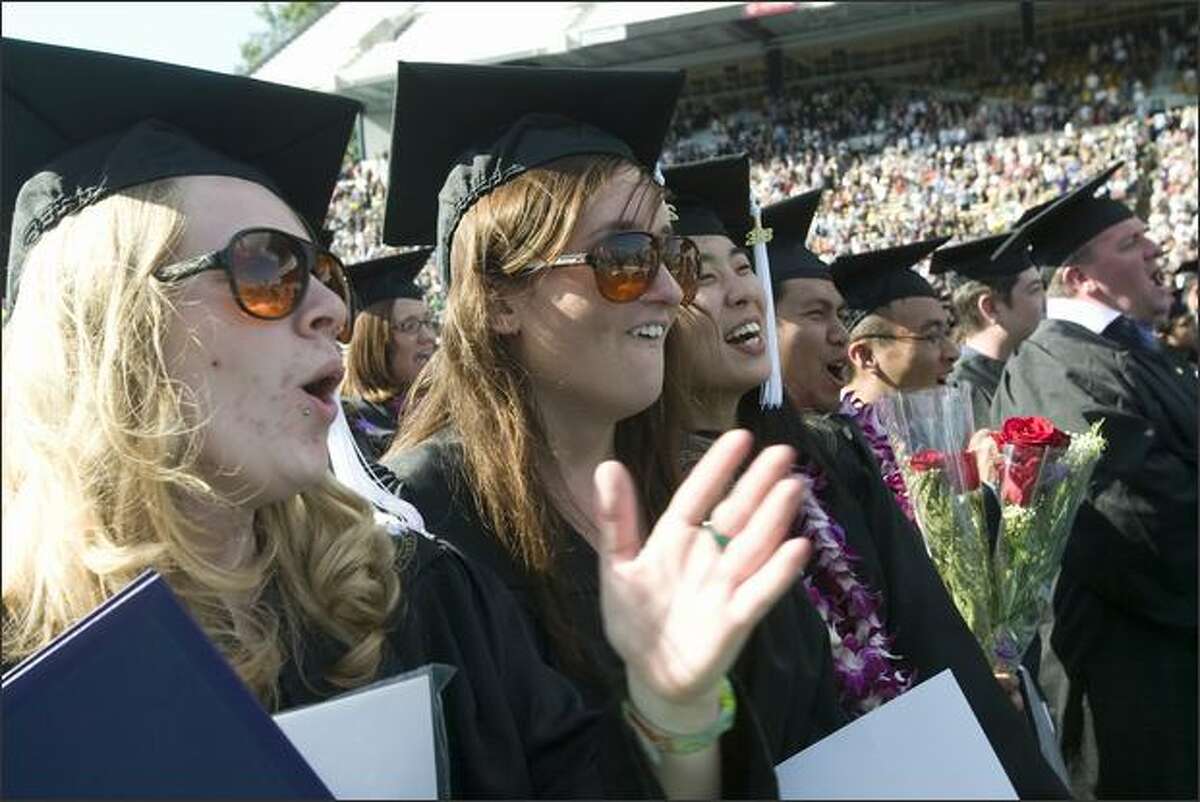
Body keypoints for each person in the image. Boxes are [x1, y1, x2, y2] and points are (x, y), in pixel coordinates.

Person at [0, 40, 812, 799]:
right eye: (265, 269)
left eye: (321, 272)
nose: (328, 307)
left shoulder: (408, 599)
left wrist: (672, 713)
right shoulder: (21, 665)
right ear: (109, 326)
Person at [378, 66, 841, 773]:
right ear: (499, 300)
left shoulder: (698, 487)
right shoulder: (428, 532)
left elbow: (815, 722)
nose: (666, 292)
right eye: (623, 258)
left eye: (671, 255)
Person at [661, 171, 1069, 797]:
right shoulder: (647, 500)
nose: (745, 294)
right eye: (705, 276)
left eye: (747, 270)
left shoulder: (830, 460)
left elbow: (932, 639)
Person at [992, 162, 1198, 800]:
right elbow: (1140, 523)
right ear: (1081, 278)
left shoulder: (1127, 352)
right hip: (1134, 693)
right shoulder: (1056, 369)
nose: (1157, 247)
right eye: (1131, 243)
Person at [832, 237, 952, 521]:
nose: (953, 352)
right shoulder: (836, 452)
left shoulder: (934, 432)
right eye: (932, 336)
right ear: (865, 355)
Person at [929, 233, 1046, 426]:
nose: (1044, 300)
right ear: (990, 307)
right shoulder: (961, 393)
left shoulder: (1033, 365)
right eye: (1034, 290)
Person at [340, 247, 437, 461]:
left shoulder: (440, 406)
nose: (428, 336)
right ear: (376, 343)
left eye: (428, 323)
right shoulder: (353, 423)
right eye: (410, 326)